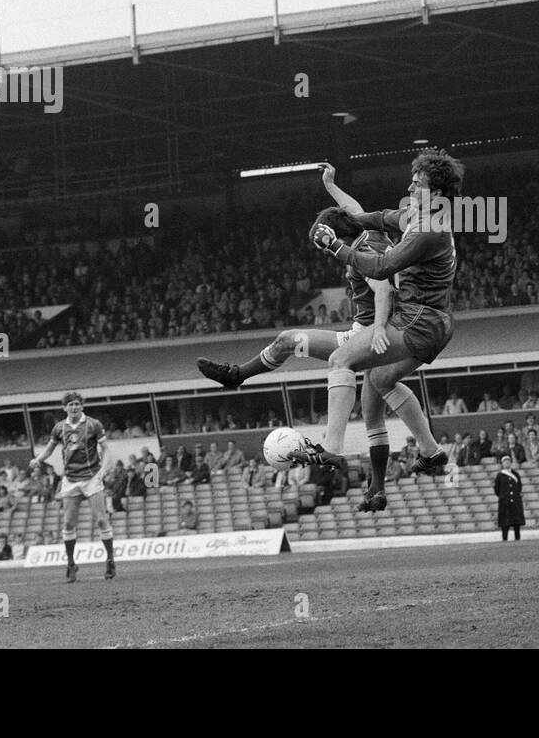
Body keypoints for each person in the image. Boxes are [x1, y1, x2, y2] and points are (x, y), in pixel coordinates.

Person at [198, 163, 401, 513]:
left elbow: (382, 288)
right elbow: (354, 210)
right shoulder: (369, 232)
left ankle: (237, 377)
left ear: (336, 236)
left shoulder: (360, 255)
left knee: (289, 341)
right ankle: (377, 490)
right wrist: (331, 186)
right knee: (373, 416)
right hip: (386, 334)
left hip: (371, 335)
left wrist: (378, 328)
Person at [307, 149, 465, 494]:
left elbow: (381, 267)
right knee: (379, 378)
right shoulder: (417, 215)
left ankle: (332, 450)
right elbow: (368, 217)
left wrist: (336, 246)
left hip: (418, 320)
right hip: (434, 323)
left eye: (417, 182)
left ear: (435, 193)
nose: (410, 184)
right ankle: (430, 451)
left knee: (340, 358)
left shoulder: (428, 229)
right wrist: (332, 190)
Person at [30, 391, 117, 582]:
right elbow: (50, 448)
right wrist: (38, 459)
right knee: (68, 523)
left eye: (77, 404)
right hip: (70, 479)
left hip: (91, 477)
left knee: (101, 520)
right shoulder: (60, 427)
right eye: (70, 404)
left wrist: (103, 471)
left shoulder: (94, 424)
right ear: (65, 408)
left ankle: (110, 560)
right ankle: (71, 564)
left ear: (82, 406)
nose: (74, 407)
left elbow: (107, 450)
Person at [494, 455, 525, 541]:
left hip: (515, 501)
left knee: (516, 523)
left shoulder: (515, 474)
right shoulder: (500, 475)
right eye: (505, 461)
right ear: (502, 464)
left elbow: (519, 487)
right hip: (505, 502)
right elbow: (497, 489)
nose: (507, 463)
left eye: (508, 461)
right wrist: (503, 496)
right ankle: (505, 539)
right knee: (505, 523)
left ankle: (517, 538)